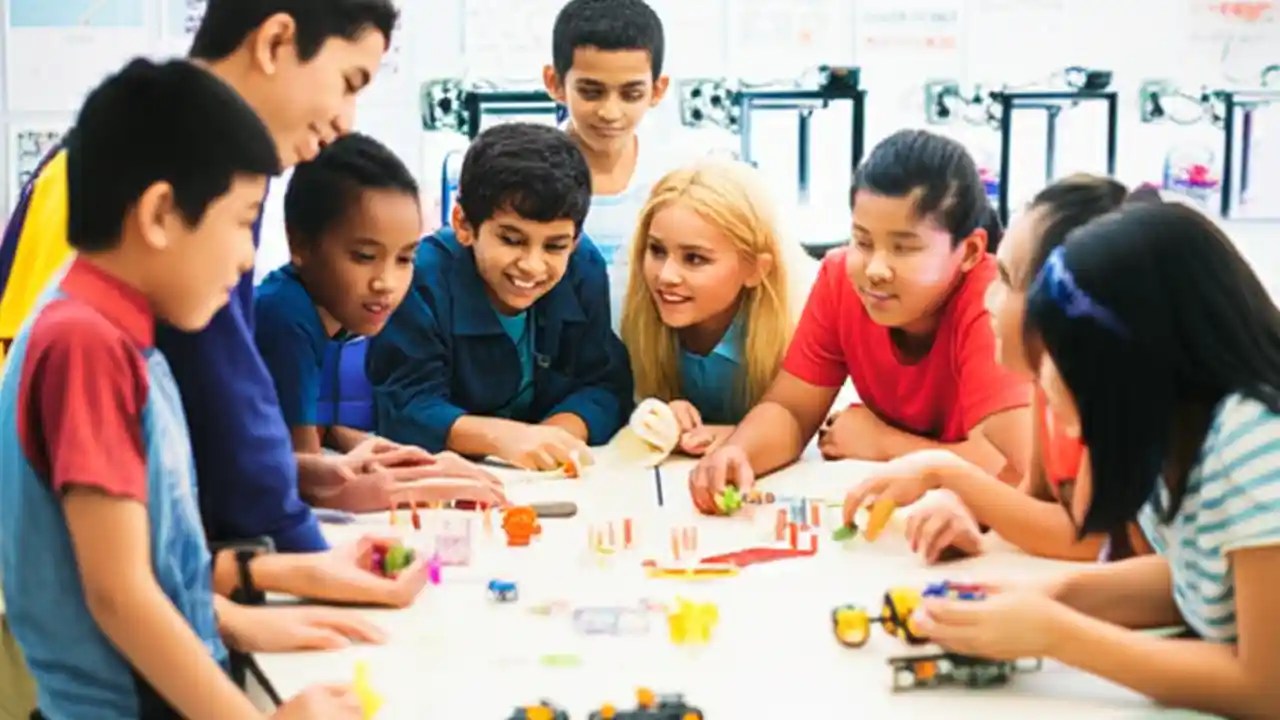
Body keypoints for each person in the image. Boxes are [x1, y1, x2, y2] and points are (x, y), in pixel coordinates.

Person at [0, 57, 378, 720]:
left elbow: (145, 564)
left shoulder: (113, 334)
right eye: (241, 221)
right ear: (160, 214)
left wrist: (241, 619)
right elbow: (118, 594)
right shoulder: (86, 344)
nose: (246, 257)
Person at [0, 0, 400, 554]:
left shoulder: (214, 177)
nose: (346, 121)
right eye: (348, 83)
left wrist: (297, 478)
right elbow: (53, 444)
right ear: (275, 42)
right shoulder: (117, 178)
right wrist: (293, 537)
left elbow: (195, 398)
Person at [911, 202, 1280, 719]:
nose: (1045, 380)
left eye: (1059, 358)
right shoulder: (1175, 436)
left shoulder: (1253, 437)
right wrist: (1049, 596)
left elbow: (1265, 686)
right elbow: (1197, 583)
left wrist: (1057, 633)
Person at [688, 129, 1032, 514]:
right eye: (863, 242)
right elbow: (791, 411)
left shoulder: (993, 302)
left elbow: (1009, 468)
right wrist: (739, 453)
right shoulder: (841, 281)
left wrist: (884, 444)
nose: (875, 269)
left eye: (904, 248)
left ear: (969, 251)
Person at [841, 175, 1153, 563]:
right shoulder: (1047, 386)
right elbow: (1034, 496)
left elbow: (1094, 537)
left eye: (1005, 279)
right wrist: (969, 512)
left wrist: (947, 474)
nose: (988, 299)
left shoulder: (1114, 401)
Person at [256, 133, 506, 511]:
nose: (386, 282)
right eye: (363, 256)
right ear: (300, 244)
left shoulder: (339, 314)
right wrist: (422, 481)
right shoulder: (285, 316)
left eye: (404, 259)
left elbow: (328, 431)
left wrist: (418, 461)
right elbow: (308, 479)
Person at [368, 122, 634, 471]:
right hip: (453, 472)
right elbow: (405, 406)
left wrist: (555, 435)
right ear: (463, 224)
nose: (532, 265)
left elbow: (604, 383)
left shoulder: (583, 268)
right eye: (511, 240)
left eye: (555, 246)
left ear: (576, 240)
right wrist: (502, 438)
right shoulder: (421, 279)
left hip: (546, 476)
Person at [619, 159, 792, 456]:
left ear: (756, 269)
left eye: (695, 258)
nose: (666, 276)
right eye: (657, 251)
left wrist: (743, 436)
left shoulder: (796, 333)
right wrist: (659, 419)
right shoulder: (633, 321)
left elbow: (816, 431)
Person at [543, 0, 672, 330]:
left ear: (658, 89)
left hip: (656, 357)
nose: (610, 113)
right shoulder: (524, 178)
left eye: (631, 94)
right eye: (591, 92)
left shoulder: (678, 178)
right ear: (554, 83)